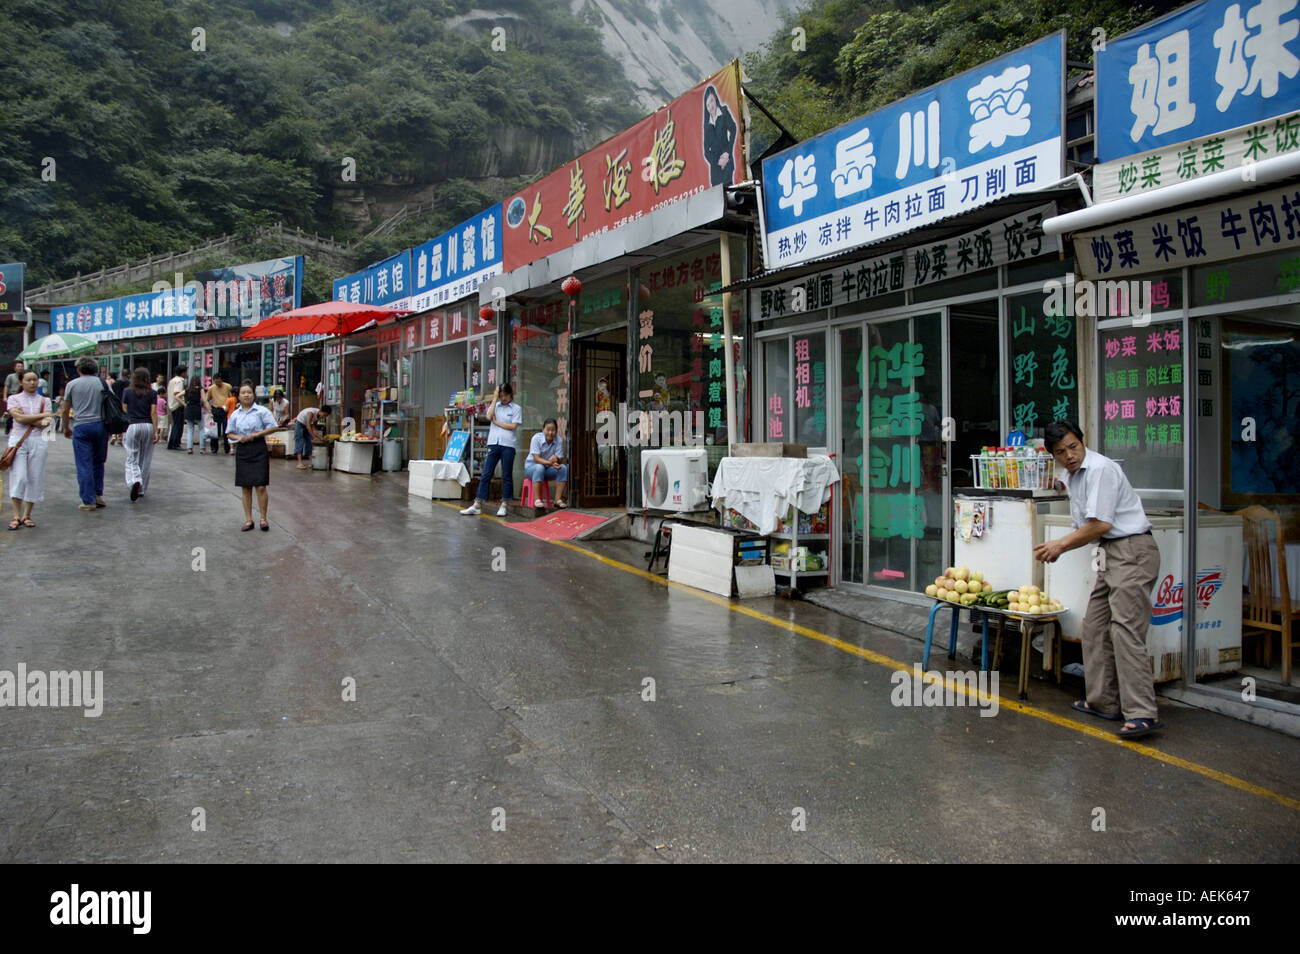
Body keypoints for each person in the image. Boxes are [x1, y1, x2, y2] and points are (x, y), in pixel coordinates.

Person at [1033, 420, 1164, 741]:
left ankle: (1142, 712)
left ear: (1082, 441)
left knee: (1125, 630)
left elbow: (1101, 524)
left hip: (1131, 550)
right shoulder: (1072, 477)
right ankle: (1103, 700)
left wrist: (1060, 545)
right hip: (1111, 555)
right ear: (1053, 454)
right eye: (1061, 452)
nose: (1070, 455)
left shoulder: (1102, 469)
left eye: (1073, 447)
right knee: (1095, 624)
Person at [461, 383, 521, 517]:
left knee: (506, 475)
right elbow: (488, 417)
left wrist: (498, 423)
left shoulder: (516, 408)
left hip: (508, 444)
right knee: (486, 473)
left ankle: (504, 503)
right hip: (494, 442)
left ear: (511, 394)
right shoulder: (496, 406)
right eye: (500, 396)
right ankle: (477, 504)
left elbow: (513, 426)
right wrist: (494, 399)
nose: (503, 398)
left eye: (505, 395)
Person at [226, 380, 279, 531]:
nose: (246, 395)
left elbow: (273, 427)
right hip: (243, 450)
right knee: (246, 486)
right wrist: (239, 438)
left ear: (253, 395)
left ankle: (263, 518)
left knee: (261, 486)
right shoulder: (235, 415)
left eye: (249, 392)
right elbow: (229, 433)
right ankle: (248, 520)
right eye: (243, 393)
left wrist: (258, 434)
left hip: (258, 448)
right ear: (239, 396)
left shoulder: (262, 411)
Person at [59, 355, 109, 511]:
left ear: (79, 369)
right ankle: (97, 495)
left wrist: (65, 427)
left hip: (81, 427)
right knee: (98, 462)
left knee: (84, 464)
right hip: (101, 426)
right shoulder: (103, 383)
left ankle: (88, 501)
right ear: (95, 369)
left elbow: (66, 409)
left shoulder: (72, 385)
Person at [6, 369, 52, 529]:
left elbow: (47, 423)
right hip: (18, 440)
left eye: (35, 380)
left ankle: (27, 515)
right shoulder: (13, 399)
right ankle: (16, 515)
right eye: (28, 380)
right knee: (19, 476)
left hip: (38, 440)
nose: (32, 383)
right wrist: (40, 416)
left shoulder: (45, 400)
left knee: (35, 476)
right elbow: (18, 418)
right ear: (21, 382)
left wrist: (27, 419)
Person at [121, 367, 158, 502]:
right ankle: (141, 489)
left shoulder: (127, 391)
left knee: (132, 456)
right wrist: (156, 430)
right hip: (148, 425)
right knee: (146, 458)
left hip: (132, 425)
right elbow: (153, 412)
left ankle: (135, 480)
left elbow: (124, 410)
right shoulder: (152, 393)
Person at [525, 417, 568, 508]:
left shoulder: (558, 440)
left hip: (547, 469)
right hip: (531, 468)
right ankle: (537, 500)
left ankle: (557, 499)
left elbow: (560, 459)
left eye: (553, 430)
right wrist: (550, 462)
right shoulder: (536, 438)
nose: (550, 433)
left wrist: (556, 458)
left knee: (563, 468)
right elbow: (537, 459)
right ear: (543, 429)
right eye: (548, 430)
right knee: (539, 467)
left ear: (556, 431)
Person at [702, 84, 737, 187]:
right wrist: (717, 161)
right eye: (707, 105)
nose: (711, 106)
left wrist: (728, 153)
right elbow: (706, 150)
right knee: (718, 199)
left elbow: (733, 129)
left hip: (727, 160)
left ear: (716, 99)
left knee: (730, 193)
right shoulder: (707, 124)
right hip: (715, 169)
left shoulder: (724, 112)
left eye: (712, 101)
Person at [294, 404, 329, 470]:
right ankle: (299, 463)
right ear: (320, 411)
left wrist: (319, 437)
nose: (323, 417)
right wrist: (314, 436)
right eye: (324, 415)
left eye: (325, 416)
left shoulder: (319, 416)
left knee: (309, 442)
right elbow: (308, 426)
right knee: (299, 441)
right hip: (300, 423)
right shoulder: (311, 413)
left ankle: (312, 462)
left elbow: (313, 427)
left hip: (308, 425)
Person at [206, 374, 233, 455]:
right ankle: (214, 448)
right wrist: (210, 411)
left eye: (219, 381)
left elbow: (231, 397)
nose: (218, 383)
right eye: (216, 381)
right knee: (215, 431)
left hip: (225, 410)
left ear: (221, 380)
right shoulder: (212, 388)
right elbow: (207, 399)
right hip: (216, 409)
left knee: (226, 430)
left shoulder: (228, 386)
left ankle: (227, 448)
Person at [166, 365, 188, 450]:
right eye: (185, 372)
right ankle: (175, 443)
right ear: (182, 373)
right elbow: (177, 394)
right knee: (178, 425)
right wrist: (184, 404)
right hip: (177, 405)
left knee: (175, 425)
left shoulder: (172, 380)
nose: (186, 374)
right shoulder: (179, 381)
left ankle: (172, 443)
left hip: (172, 405)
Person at [183, 375, 204, 454]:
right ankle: (202, 448)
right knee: (201, 429)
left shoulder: (187, 390)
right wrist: (209, 409)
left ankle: (189, 448)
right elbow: (204, 400)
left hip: (189, 409)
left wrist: (185, 404)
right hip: (197, 409)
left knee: (190, 429)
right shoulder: (200, 390)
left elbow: (177, 396)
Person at [4, 359, 26, 435]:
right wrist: (4, 396)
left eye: (21, 366)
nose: (20, 368)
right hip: (12, 395)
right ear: (15, 368)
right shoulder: (11, 376)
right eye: (18, 366)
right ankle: (8, 426)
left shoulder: (24, 376)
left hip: (22, 396)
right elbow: (6, 386)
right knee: (11, 414)